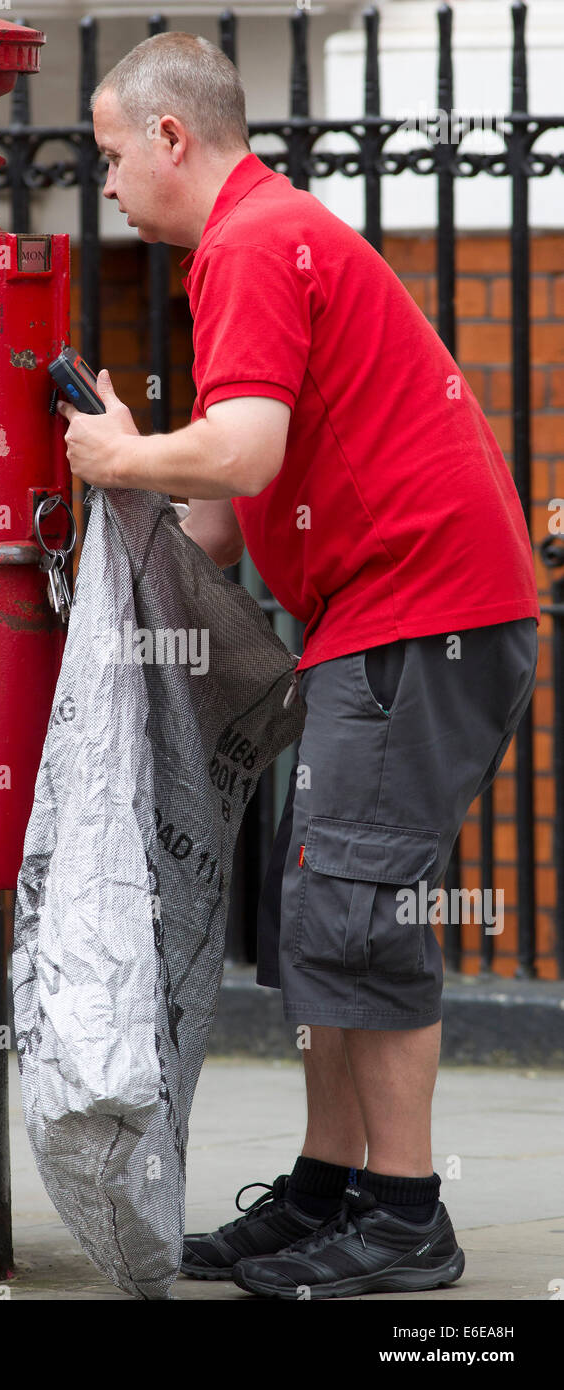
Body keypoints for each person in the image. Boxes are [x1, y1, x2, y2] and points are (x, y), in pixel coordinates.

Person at [55, 31, 540, 1301]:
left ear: (172, 138)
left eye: (111, 156)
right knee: (320, 917)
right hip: (390, 620)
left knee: (358, 914)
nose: (104, 184)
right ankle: (329, 1190)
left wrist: (125, 455)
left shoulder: (254, 245)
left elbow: (246, 452)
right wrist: (121, 517)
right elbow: (220, 517)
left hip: (417, 619)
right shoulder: (265, 238)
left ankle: (405, 1216)